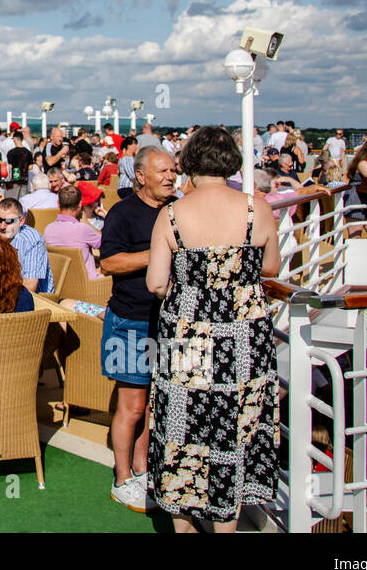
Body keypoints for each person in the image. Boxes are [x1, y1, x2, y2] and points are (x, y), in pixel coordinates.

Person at [145, 127, 281, 532]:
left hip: (189, 333)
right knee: (236, 426)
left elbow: (155, 282)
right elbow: (270, 269)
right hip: (244, 333)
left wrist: (191, 295)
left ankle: (183, 521)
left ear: (189, 163)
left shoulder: (172, 214)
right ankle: (227, 523)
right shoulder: (258, 209)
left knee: (182, 427)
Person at [99, 145, 177, 512]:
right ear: (140, 176)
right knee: (131, 405)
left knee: (152, 403)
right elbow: (109, 263)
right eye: (162, 171)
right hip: (131, 319)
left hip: (168, 322)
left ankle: (143, 469)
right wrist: (157, 254)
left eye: (173, 170)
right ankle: (121, 478)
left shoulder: (177, 210)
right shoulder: (123, 213)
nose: (170, 176)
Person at [0, 197, 54, 293]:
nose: (3, 226)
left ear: (21, 221)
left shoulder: (32, 240)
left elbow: (30, 287)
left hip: (34, 298)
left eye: (9, 221)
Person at [42, 183, 103, 277]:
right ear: (80, 204)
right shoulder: (83, 229)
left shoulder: (48, 230)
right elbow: (107, 243)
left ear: (58, 204)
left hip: (60, 283)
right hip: (88, 286)